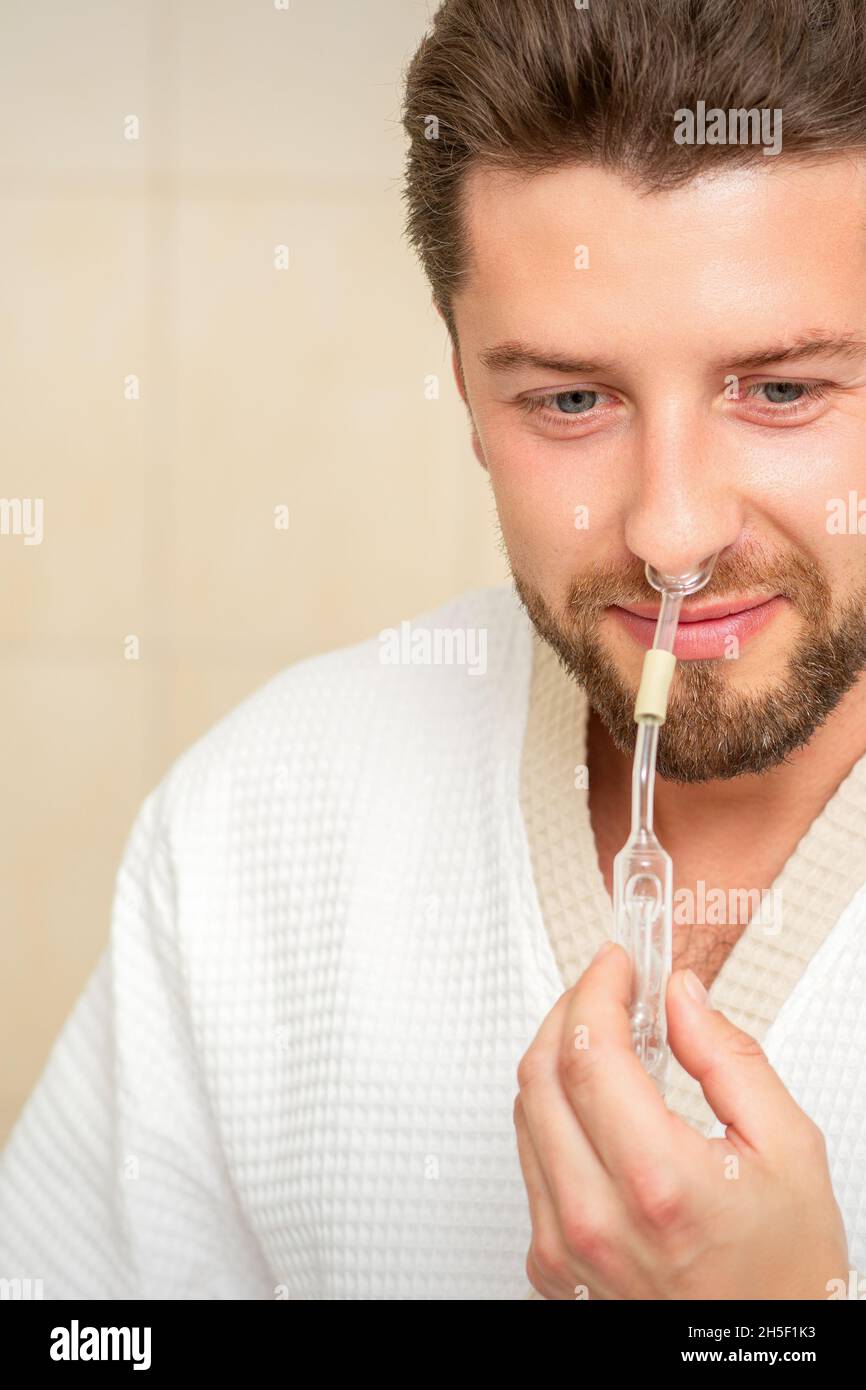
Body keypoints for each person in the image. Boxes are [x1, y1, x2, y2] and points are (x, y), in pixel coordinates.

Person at [3, 0, 866, 1300]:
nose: (672, 531)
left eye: (782, 389)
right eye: (570, 400)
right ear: (465, 390)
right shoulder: (255, 835)